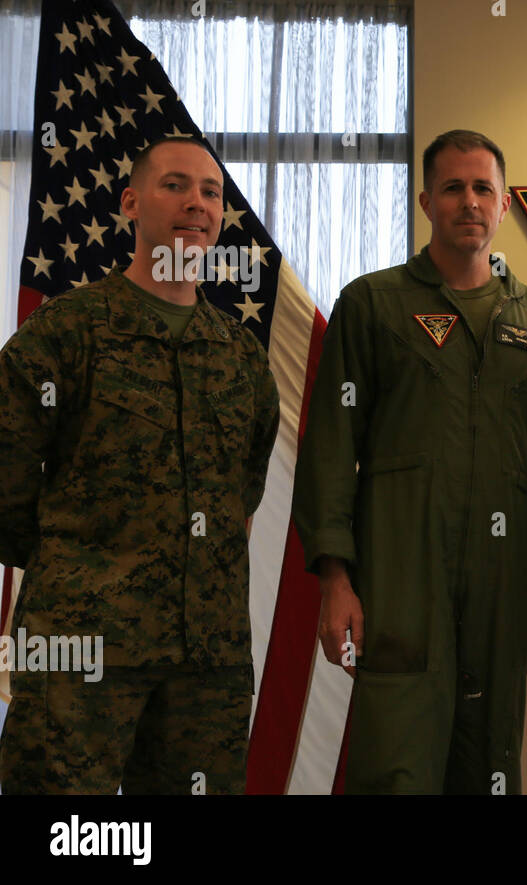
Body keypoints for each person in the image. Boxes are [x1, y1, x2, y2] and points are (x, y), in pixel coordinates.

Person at [292, 129, 527, 794]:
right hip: (399, 575)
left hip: (504, 576)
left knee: (490, 760)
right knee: (396, 761)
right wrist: (335, 579)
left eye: (483, 187)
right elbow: (330, 448)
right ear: (426, 200)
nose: (469, 201)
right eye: (453, 187)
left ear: (505, 204)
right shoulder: (372, 305)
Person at [0, 137, 280, 794]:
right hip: (80, 654)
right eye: (175, 185)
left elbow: (243, 495)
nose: (197, 204)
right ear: (131, 202)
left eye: (210, 193)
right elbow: (5, 488)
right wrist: (78, 576)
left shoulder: (241, 358)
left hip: (205, 662)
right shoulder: (66, 332)